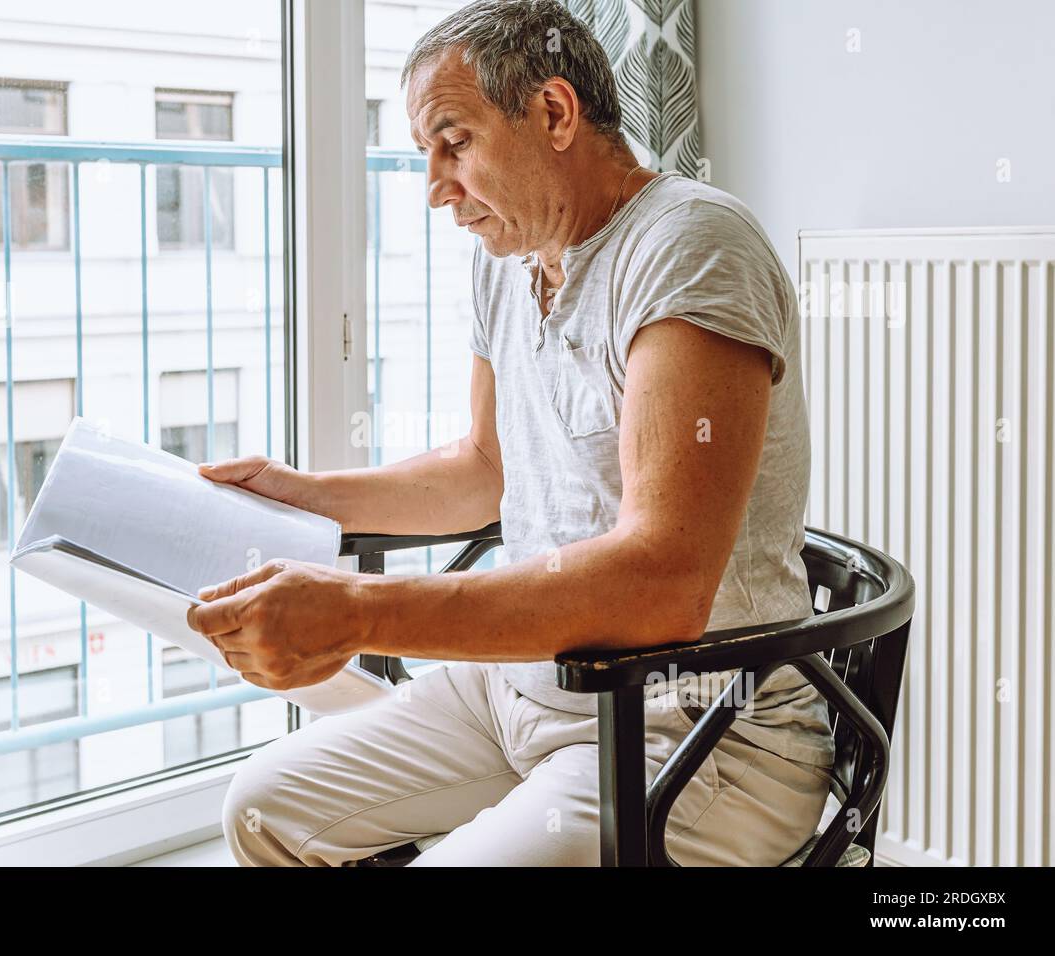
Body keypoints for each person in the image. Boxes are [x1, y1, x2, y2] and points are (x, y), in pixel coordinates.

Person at [186, 0, 833, 866]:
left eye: (454, 143)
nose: (434, 188)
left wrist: (359, 613)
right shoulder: (513, 263)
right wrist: (300, 494)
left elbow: (661, 584)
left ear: (555, 113)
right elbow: (484, 469)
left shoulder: (691, 247)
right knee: (263, 808)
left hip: (695, 724)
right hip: (523, 690)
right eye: (425, 155)